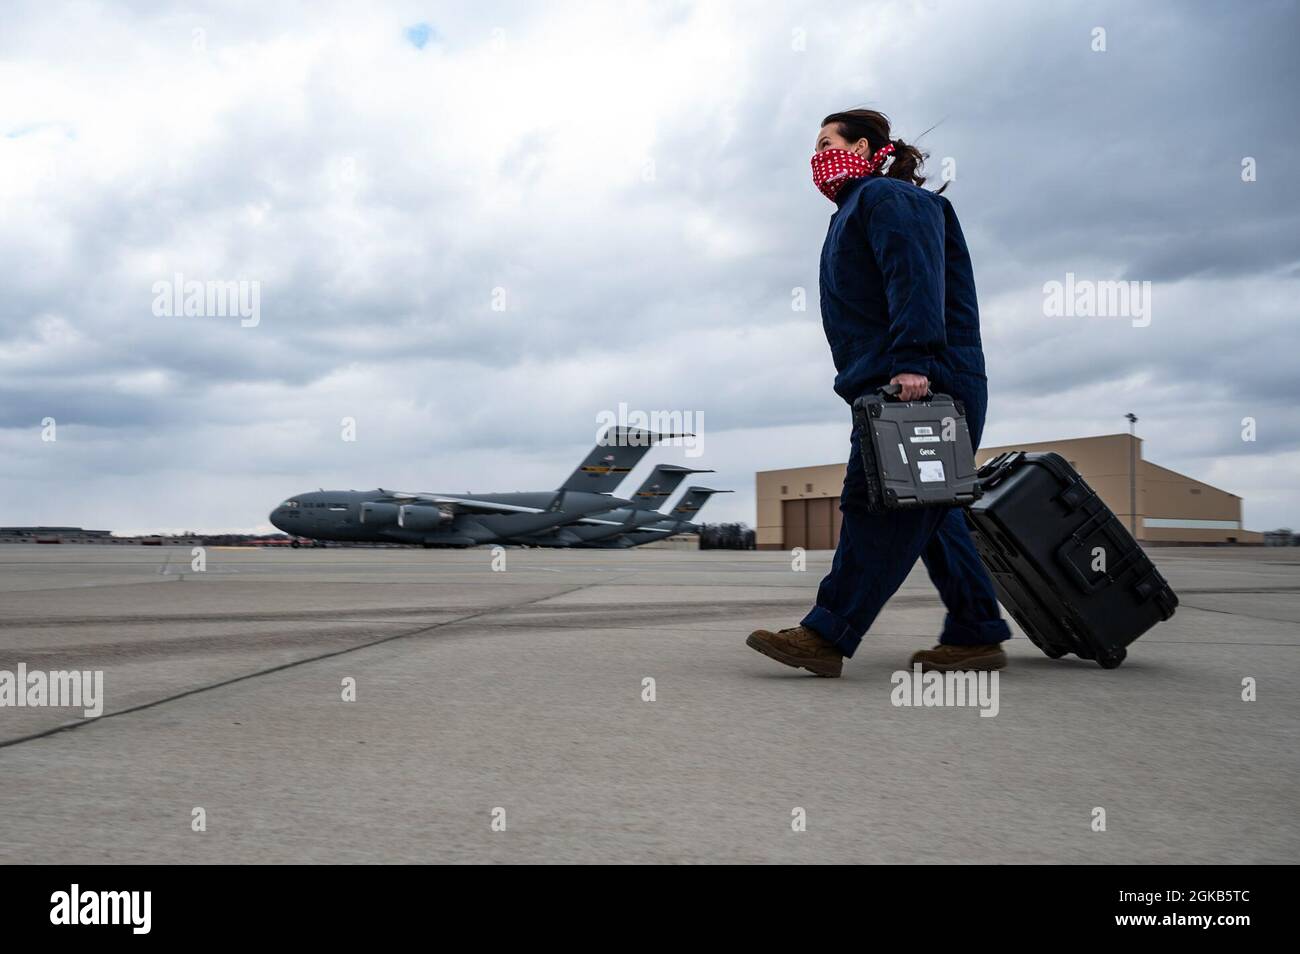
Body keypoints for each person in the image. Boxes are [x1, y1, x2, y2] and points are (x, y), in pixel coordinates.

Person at [746, 108, 1011, 678]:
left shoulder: (888, 197)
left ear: (863, 146)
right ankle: (976, 631)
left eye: (825, 143)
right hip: (896, 379)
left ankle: (828, 633)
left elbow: (913, 276)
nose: (816, 157)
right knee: (931, 511)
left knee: (875, 503)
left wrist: (913, 361)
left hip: (920, 380)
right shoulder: (857, 208)